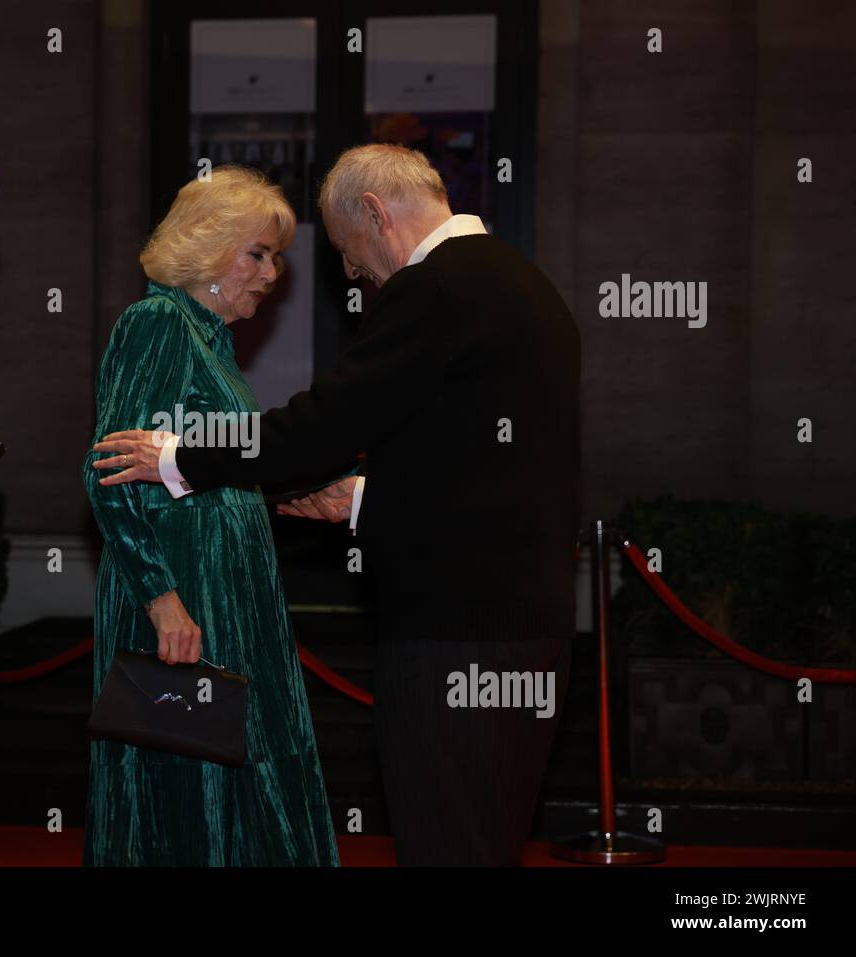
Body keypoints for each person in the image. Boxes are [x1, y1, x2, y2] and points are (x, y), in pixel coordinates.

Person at [94, 144, 581, 866]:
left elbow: (325, 425)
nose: (353, 274)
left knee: (450, 840)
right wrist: (360, 500)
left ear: (378, 215)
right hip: (521, 628)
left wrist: (176, 457)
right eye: (258, 255)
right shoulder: (528, 286)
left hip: (455, 636)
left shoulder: (435, 289)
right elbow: (478, 468)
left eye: (350, 254)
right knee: (481, 838)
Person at [82, 166, 340, 866]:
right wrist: (164, 602)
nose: (272, 273)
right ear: (205, 249)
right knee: (188, 778)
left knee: (229, 776)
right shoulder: (159, 322)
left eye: (276, 255)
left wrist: (278, 495)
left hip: (227, 593)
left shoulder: (210, 340)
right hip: (183, 593)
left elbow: (198, 466)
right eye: (256, 253)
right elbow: (109, 473)